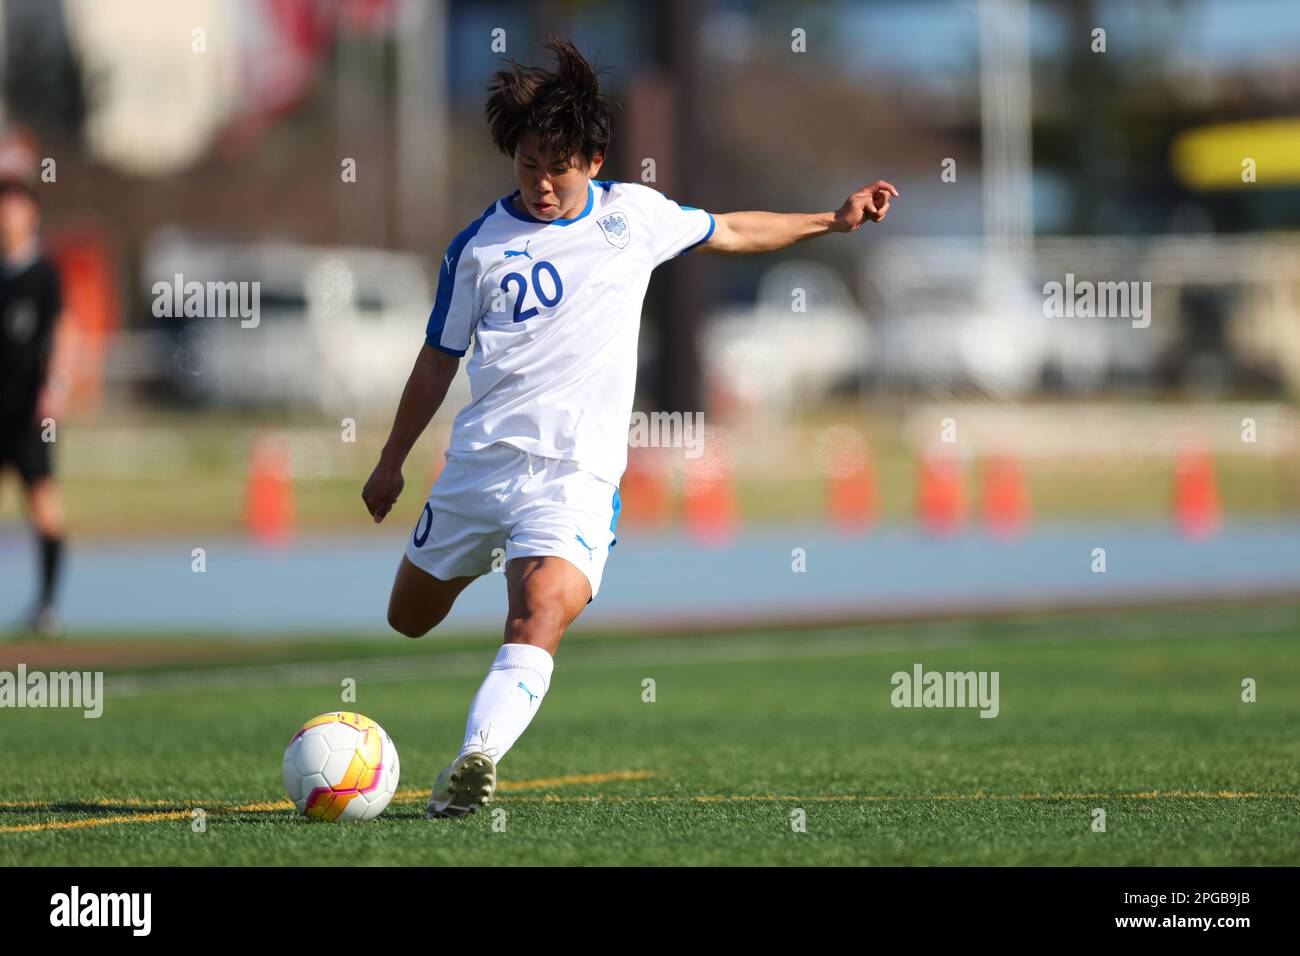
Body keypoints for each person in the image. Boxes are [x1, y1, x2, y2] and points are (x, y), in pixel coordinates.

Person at [362, 39, 897, 818]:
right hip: (480, 468)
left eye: (559, 166)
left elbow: (735, 230)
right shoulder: (476, 249)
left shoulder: (633, 216)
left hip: (573, 475)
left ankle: (475, 757)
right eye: (527, 166)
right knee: (407, 620)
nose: (543, 185)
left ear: (595, 157)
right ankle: (479, 560)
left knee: (540, 606)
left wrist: (831, 220)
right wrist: (390, 462)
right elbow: (436, 361)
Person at [0, 172, 66, 638]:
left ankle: (45, 608)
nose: (7, 215)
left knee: (42, 502)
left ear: (32, 213)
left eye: (15, 205)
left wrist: (54, 386)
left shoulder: (45, 274)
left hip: (29, 413)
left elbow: (65, 331)